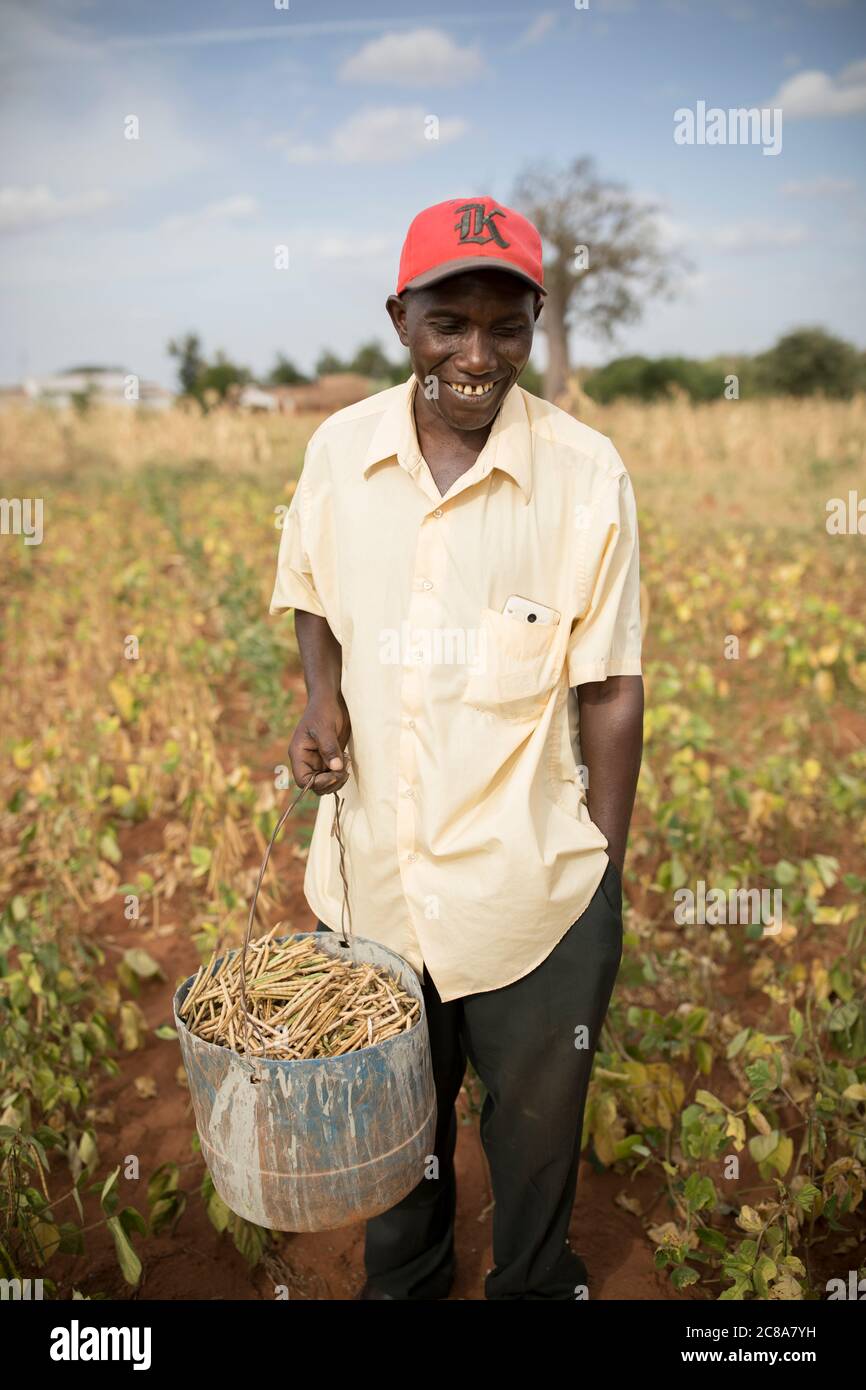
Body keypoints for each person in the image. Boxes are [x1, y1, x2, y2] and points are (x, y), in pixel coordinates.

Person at [269, 196, 644, 1300]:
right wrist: (319, 699)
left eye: (505, 326)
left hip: (528, 896)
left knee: (533, 1159)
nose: (475, 356)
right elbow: (310, 593)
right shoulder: (339, 453)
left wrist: (600, 880)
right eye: (448, 323)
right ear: (401, 319)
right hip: (374, 889)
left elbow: (612, 689)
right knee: (399, 1155)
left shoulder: (584, 474)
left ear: (532, 323)